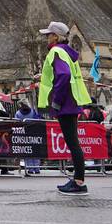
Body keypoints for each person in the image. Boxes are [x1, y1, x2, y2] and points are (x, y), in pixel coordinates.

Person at [36, 21, 91, 194]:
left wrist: (56, 101)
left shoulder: (55, 51)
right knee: (74, 142)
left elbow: (64, 74)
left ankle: (79, 182)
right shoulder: (66, 53)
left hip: (65, 103)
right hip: (73, 101)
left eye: (48, 35)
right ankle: (79, 180)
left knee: (73, 143)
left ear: (55, 37)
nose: (46, 38)